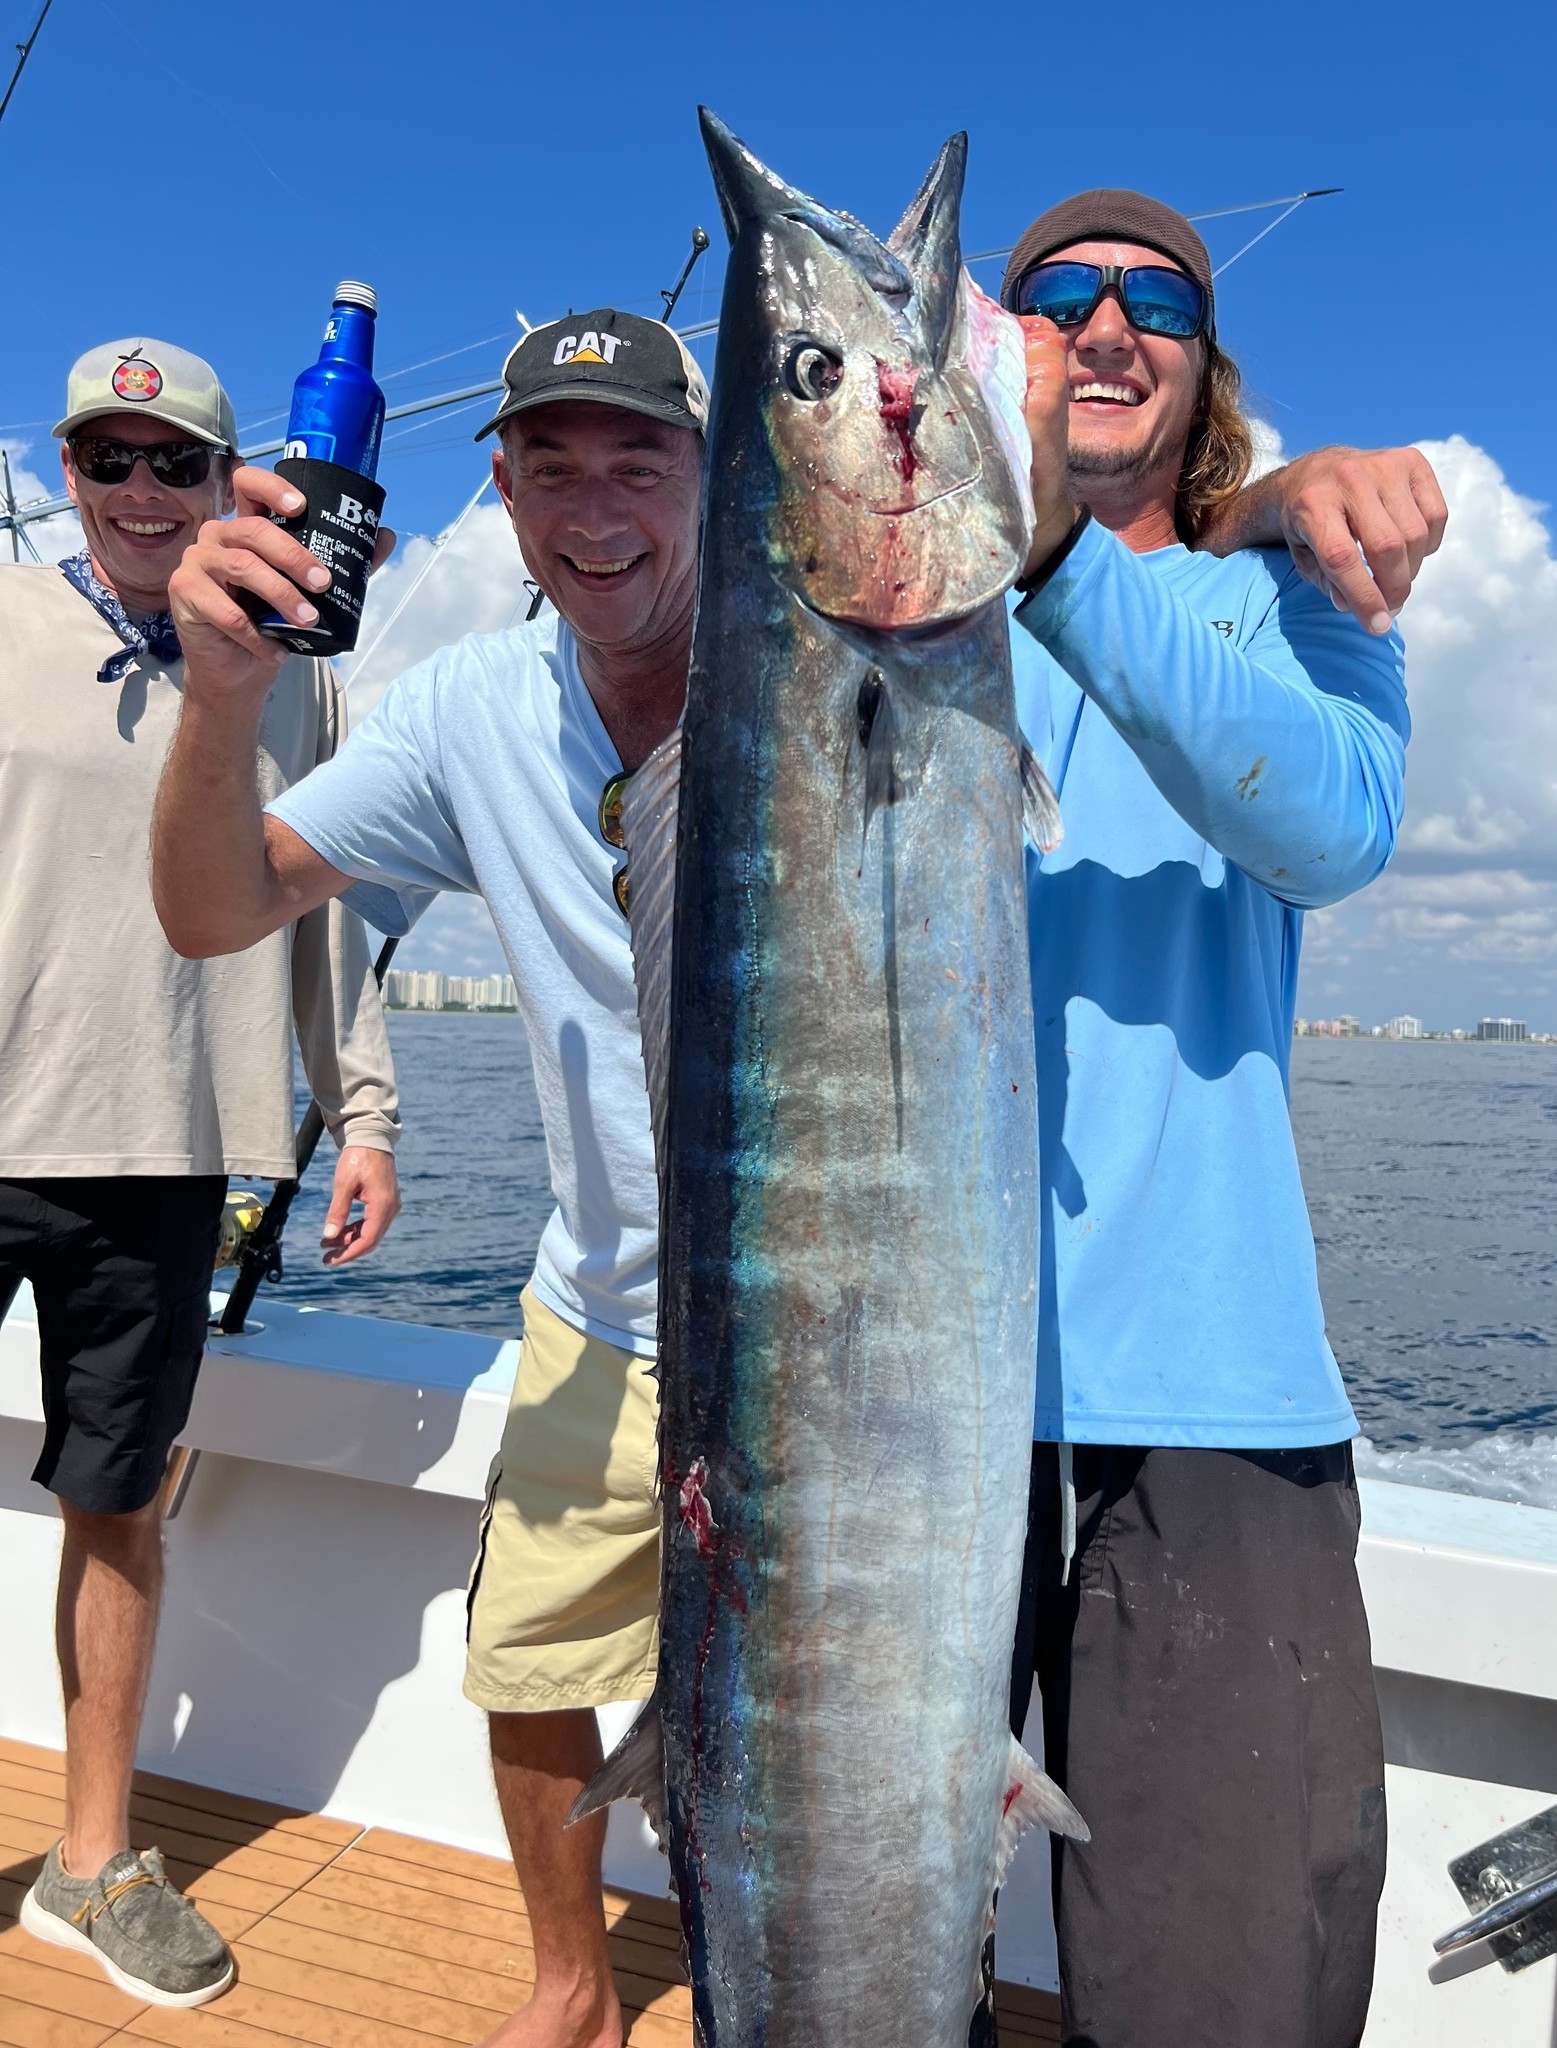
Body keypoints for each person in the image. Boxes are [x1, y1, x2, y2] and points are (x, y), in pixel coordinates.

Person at [150, 295, 1439, 2048]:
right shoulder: (474, 707)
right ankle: (570, 1991)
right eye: (551, 468)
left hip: (911, 1367)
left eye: (644, 461)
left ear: (717, 483)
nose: (597, 508)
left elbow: (1217, 707)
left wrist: (1272, 497)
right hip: (631, 1313)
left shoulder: (923, 642)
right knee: (548, 1674)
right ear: (505, 498)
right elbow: (218, 905)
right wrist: (223, 702)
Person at [998, 191, 1440, 2046]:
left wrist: (1069, 558)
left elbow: (1329, 826)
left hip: (1206, 1397)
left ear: (1201, 367)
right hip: (888, 1397)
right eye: (1056, 301)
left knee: (1223, 1993)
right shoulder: (879, 604)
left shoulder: (1300, 591)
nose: (1105, 327)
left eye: (1152, 302)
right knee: (833, 1963)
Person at [2, 337, 402, 2009]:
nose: (143, 491)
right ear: (69, 469)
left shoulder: (296, 668)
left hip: (162, 1154)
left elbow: (324, 901)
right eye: (112, 457)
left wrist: (362, 1109)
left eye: (179, 462)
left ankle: (87, 1869)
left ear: (244, 481)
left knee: (118, 1510)